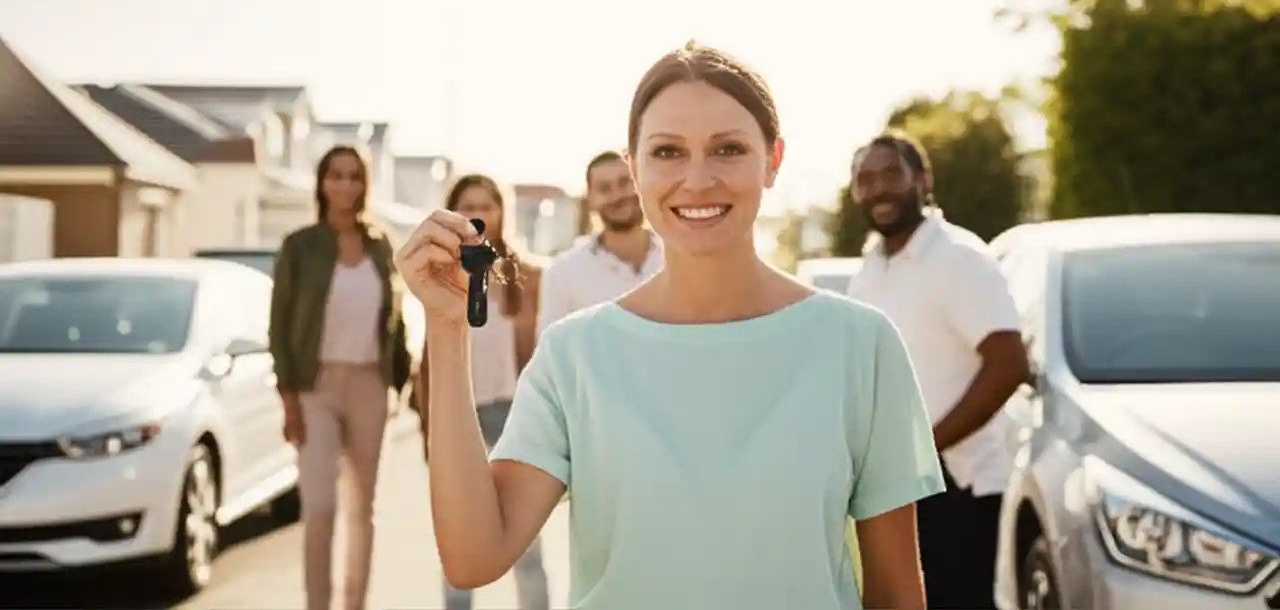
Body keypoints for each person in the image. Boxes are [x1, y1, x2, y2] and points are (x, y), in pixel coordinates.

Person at [395, 41, 945, 610]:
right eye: (668, 152)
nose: (698, 179)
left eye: (728, 148)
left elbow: (898, 591)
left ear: (773, 160)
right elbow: (473, 557)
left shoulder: (860, 345)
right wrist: (446, 327)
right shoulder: (574, 355)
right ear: (634, 169)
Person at [844, 131, 1029, 609]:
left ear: (923, 180)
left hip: (962, 487)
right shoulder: (871, 267)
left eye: (891, 175)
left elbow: (1008, 363)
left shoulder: (959, 258)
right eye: (865, 180)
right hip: (901, 483)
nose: (878, 189)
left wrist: (927, 445)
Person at [269, 144, 411, 610]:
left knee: (362, 510)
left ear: (364, 185)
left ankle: (356, 604)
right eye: (336, 175)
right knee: (320, 508)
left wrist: (397, 385)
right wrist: (289, 399)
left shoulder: (380, 245)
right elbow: (280, 325)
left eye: (354, 176)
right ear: (322, 183)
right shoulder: (300, 246)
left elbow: (396, 321)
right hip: (316, 388)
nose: (345, 185)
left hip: (370, 384)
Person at [413, 174, 550, 610]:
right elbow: (428, 358)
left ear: (501, 212)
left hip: (514, 414)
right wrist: (428, 426)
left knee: (527, 544)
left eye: (486, 204)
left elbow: (543, 352)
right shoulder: (439, 274)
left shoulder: (527, 276)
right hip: (462, 416)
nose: (478, 212)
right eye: (467, 204)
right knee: (459, 537)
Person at [536, 150, 663, 335]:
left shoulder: (682, 257)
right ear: (591, 200)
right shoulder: (563, 273)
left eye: (625, 183)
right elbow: (551, 355)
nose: (618, 195)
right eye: (605, 189)